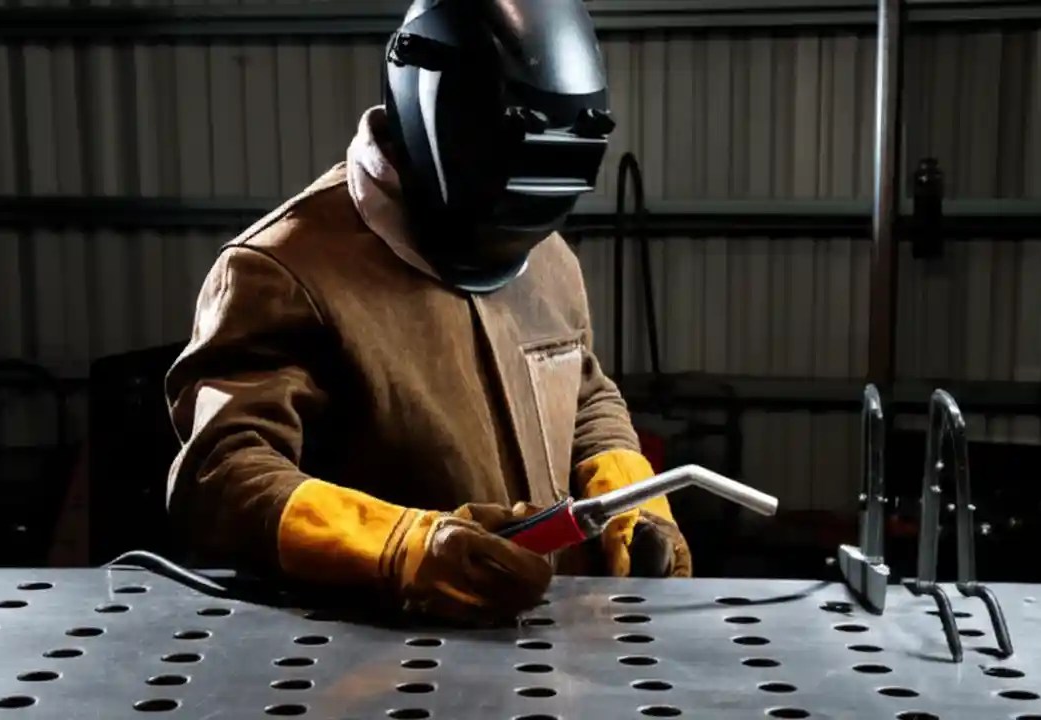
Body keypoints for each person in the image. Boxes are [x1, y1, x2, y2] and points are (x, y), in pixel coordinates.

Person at [164, 0, 690, 626]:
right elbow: (223, 477)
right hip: (371, 654)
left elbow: (582, 391)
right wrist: (400, 550)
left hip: (544, 642)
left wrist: (629, 494)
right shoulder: (283, 268)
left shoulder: (543, 252)